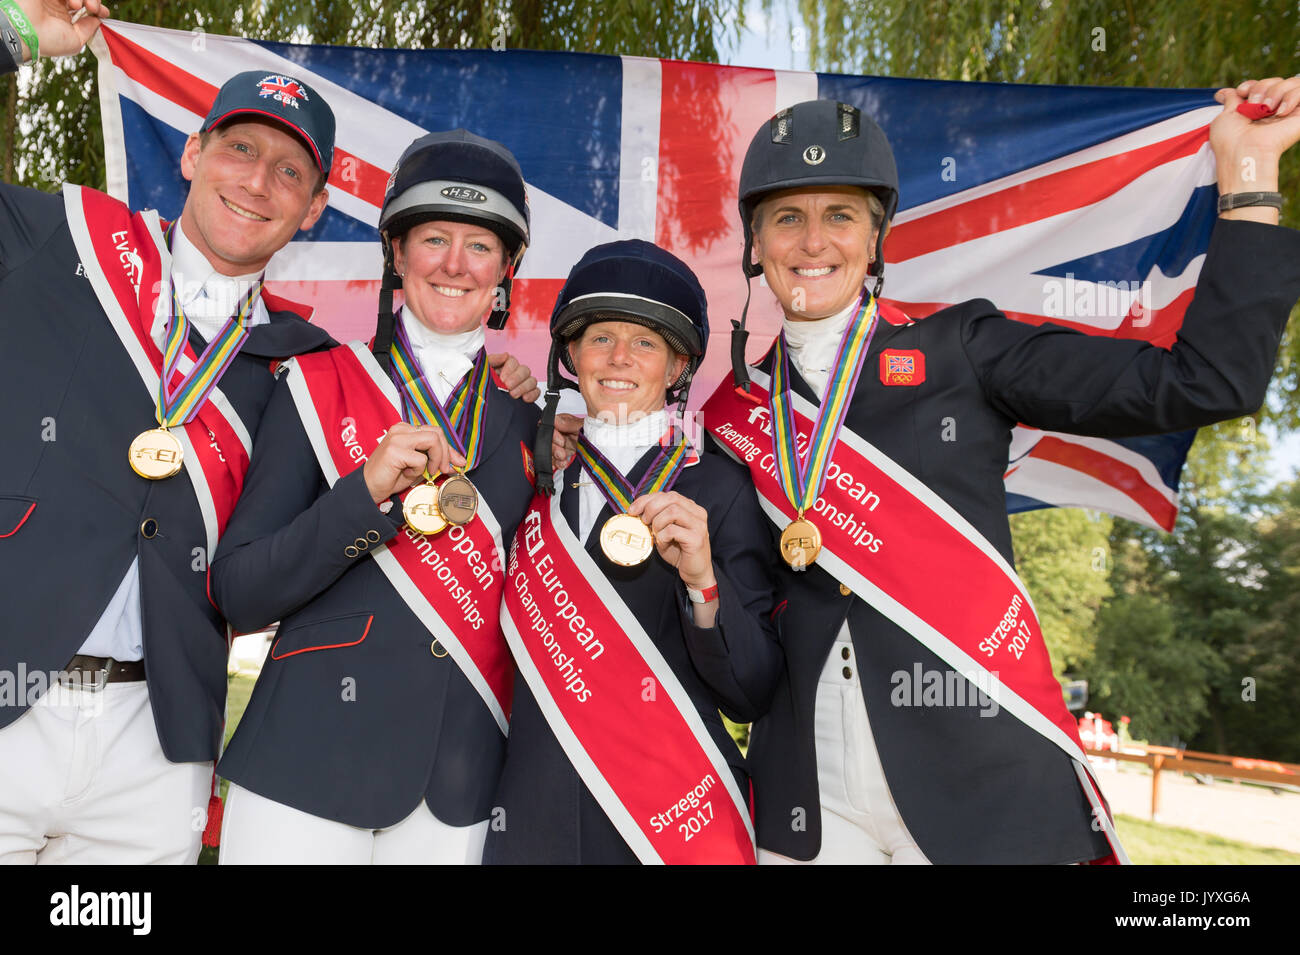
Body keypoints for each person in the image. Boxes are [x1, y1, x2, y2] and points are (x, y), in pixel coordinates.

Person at [693, 87, 1300, 864]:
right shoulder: (731, 415)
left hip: (979, 784)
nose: (813, 240)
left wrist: (1248, 175)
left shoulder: (964, 347)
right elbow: (737, 641)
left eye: (840, 215)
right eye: (788, 217)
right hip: (806, 798)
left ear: (877, 238)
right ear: (755, 244)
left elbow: (1203, 382)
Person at [0, 0, 340, 864]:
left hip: (158, 745)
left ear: (314, 210)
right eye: (239, 147)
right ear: (191, 153)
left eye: (289, 171)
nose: (257, 181)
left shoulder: (303, 363)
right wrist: (15, 33)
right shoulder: (62, 238)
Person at [210, 129, 541, 864]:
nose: (455, 265)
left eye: (481, 246)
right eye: (433, 239)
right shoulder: (318, 382)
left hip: (460, 787)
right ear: (395, 252)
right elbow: (241, 591)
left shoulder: (532, 419)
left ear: (508, 268)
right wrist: (360, 494)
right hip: (305, 769)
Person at [485, 239, 783, 864]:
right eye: (600, 338)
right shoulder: (531, 478)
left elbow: (749, 691)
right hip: (538, 816)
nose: (619, 358)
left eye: (645, 342)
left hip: (674, 815)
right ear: (570, 352)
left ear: (678, 367)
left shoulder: (720, 488)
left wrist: (703, 585)